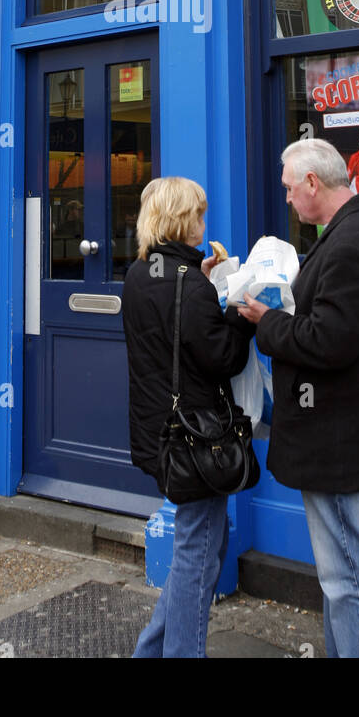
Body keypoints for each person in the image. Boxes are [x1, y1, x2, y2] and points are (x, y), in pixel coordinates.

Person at [238, 138, 359, 659]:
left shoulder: (354, 239)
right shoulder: (357, 231)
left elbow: (330, 341)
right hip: (343, 435)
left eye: (291, 189)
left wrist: (269, 323)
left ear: (313, 182)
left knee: (348, 576)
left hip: (339, 439)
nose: (288, 200)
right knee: (344, 573)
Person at [122, 176, 254, 658]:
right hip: (198, 438)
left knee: (202, 546)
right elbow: (223, 358)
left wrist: (200, 279)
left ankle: (151, 651)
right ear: (180, 220)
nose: (204, 221)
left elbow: (169, 331)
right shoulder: (191, 285)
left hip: (159, 432)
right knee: (199, 552)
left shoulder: (138, 273)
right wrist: (240, 313)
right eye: (197, 214)